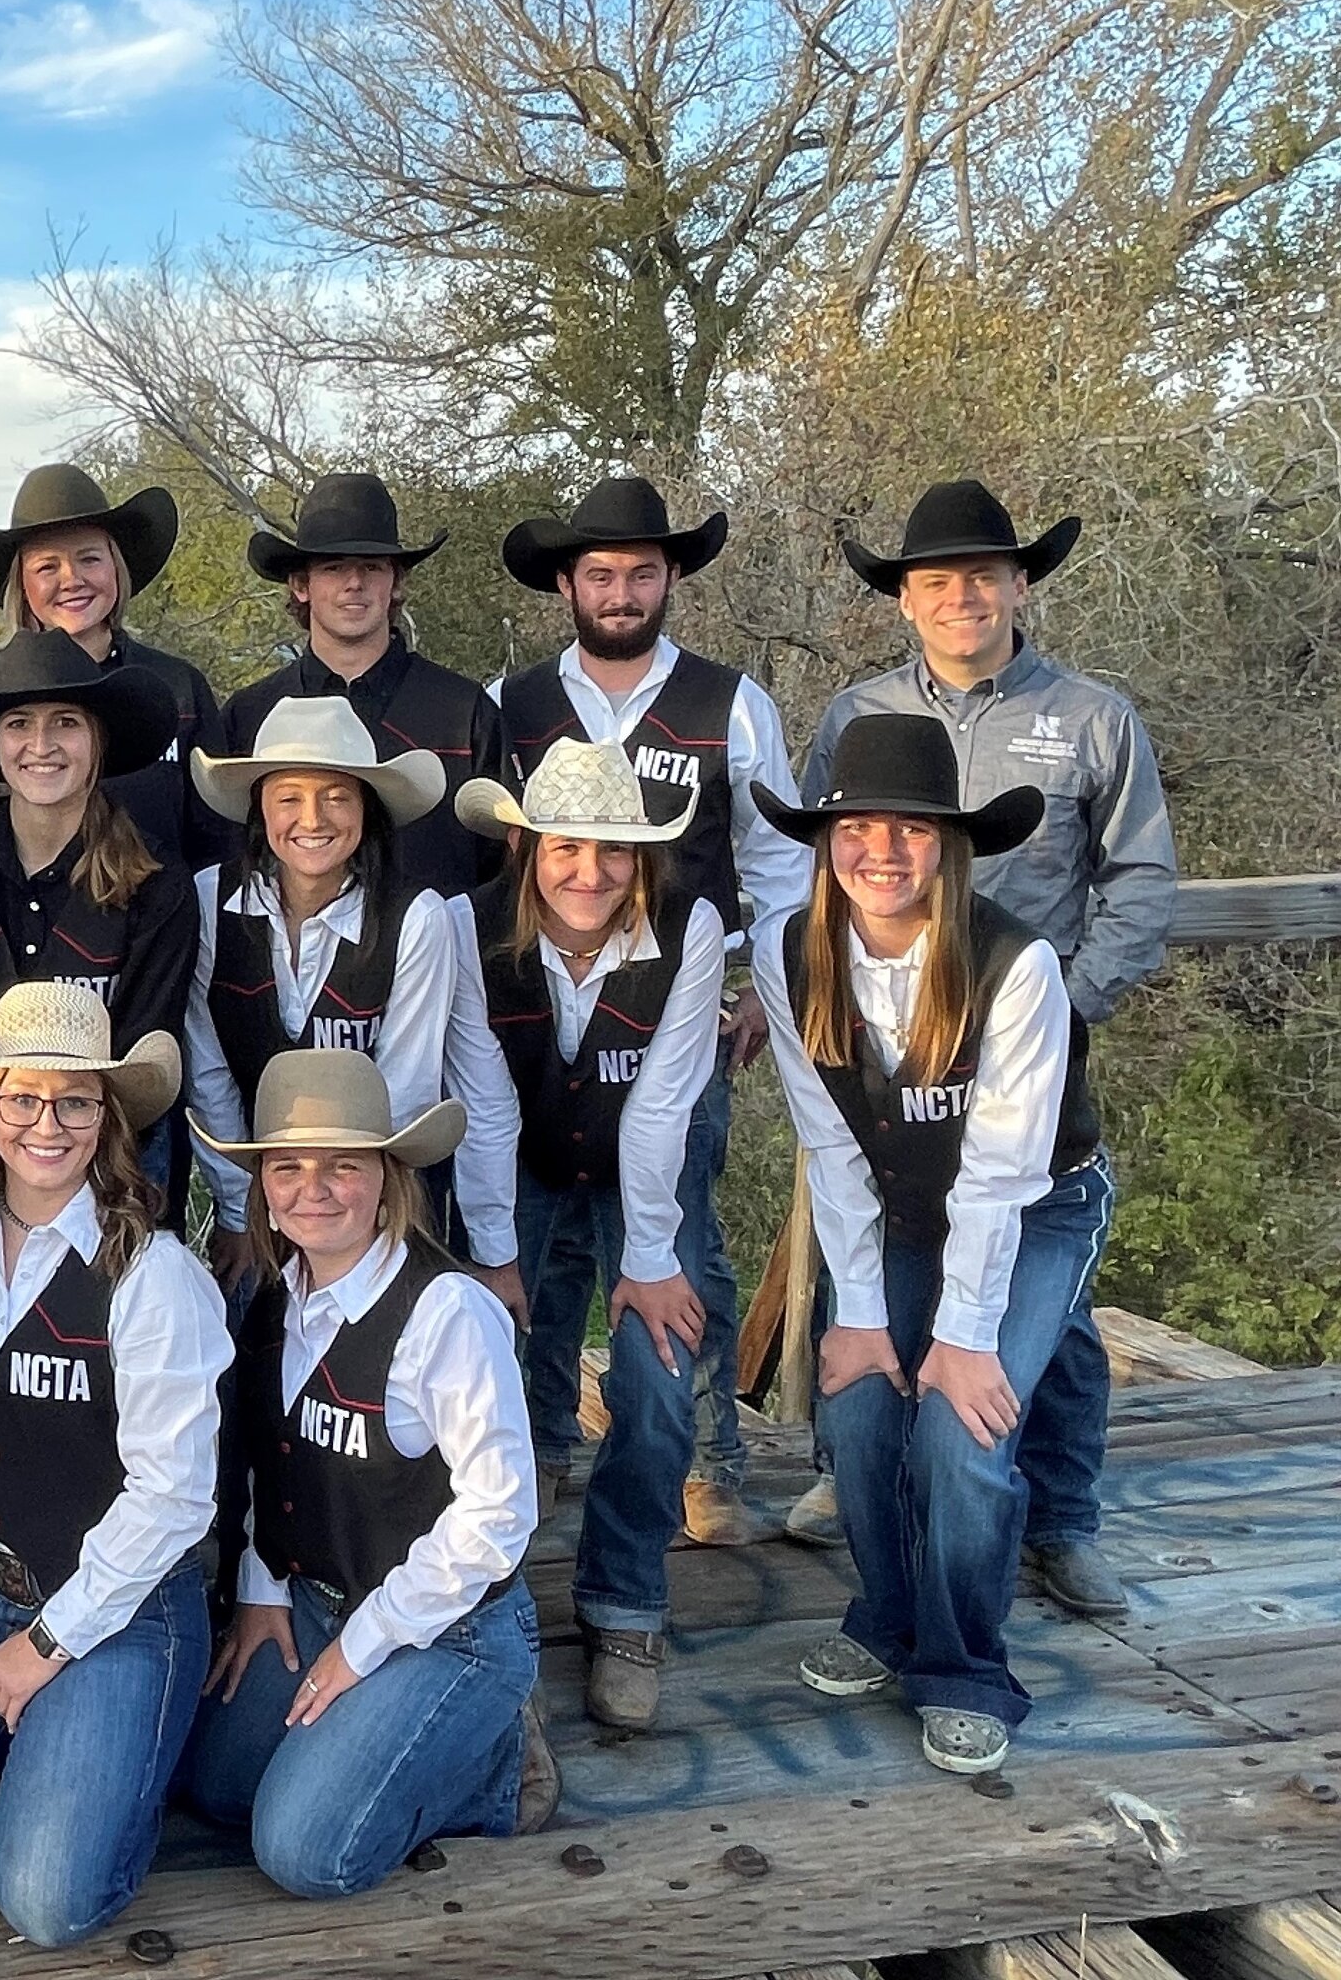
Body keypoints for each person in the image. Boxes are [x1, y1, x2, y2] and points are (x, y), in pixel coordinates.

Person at [784, 481, 1174, 1618]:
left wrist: (1064, 1009)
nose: (962, 596)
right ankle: (854, 1468)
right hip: (887, 1047)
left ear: (1019, 586)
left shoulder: (1094, 716)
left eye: (983, 575)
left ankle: (1060, 1515)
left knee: (1048, 1306)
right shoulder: (859, 717)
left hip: (1027, 1041)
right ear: (904, 599)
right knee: (865, 1222)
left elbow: (1139, 878)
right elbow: (823, 872)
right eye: (936, 579)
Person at [751, 713, 1104, 1777]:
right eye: (858, 827)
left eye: (911, 830)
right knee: (858, 1405)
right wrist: (858, 1315)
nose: (882, 852)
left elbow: (1001, 1175)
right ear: (826, 842)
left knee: (961, 1427)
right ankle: (890, 1619)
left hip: (1036, 1208)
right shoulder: (791, 953)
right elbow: (833, 1145)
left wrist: (962, 1338)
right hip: (904, 1207)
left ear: (949, 846)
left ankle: (964, 1665)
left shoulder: (1016, 964)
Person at [0, 983, 232, 1949]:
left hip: (117, 1613)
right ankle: (65, 1769)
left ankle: (107, 1760)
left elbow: (173, 1498)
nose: (47, 1124)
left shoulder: (153, 1276)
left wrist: (49, 1645)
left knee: (45, 1902)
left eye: (76, 1102)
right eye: (22, 1099)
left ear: (107, 1120)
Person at [493, 478, 807, 1546]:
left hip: (679, 1013)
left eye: (639, 572)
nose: (619, 591)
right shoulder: (516, 704)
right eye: (598, 574)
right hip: (539, 1020)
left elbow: (779, 863)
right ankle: (541, 1444)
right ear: (567, 586)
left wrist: (763, 983)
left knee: (681, 1247)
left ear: (671, 578)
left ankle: (707, 1463)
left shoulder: (731, 702)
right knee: (540, 1248)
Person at [180, 1050, 555, 1893]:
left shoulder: (447, 1311)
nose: (312, 1188)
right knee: (215, 1790)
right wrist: (262, 1589)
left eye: (342, 1166)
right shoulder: (278, 1297)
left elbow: (499, 1513)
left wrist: (364, 1646)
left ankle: (496, 1757)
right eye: (288, 1167)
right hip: (318, 1595)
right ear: (263, 1186)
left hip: (445, 1625)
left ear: (387, 1179)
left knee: (304, 1852)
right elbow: (265, 1466)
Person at [442, 741, 727, 1729]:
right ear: (527, 850)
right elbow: (481, 1098)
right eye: (567, 848)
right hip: (517, 1149)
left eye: (615, 851)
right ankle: (483, 1596)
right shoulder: (465, 929)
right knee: (481, 1346)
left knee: (658, 1359)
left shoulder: (691, 932)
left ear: (642, 858)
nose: (590, 873)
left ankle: (624, 1601)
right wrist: (495, 1252)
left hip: (638, 1160)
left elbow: (661, 1109)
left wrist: (648, 1262)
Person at [0, 629, 199, 1177]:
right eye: (18, 724)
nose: (41, 744)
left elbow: (143, 1058)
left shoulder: (157, 883)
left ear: (97, 741)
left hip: (119, 1169)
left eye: (66, 721)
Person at [181, 695, 455, 1285]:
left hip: (374, 1202)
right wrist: (242, 1207)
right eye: (289, 798)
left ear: (366, 809)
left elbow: (405, 1089)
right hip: (259, 1196)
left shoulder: (417, 919)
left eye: (336, 795)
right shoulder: (206, 901)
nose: (313, 819)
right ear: (260, 811)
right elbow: (207, 1073)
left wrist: (351, 1220)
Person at [0, 463, 232, 871]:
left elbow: (218, 847)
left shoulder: (176, 688)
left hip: (159, 926)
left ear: (117, 569)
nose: (72, 579)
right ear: (22, 585)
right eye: (48, 566)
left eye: (90, 559)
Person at [219, 471, 508, 899]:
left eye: (372, 567)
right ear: (301, 585)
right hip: (288, 962)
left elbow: (503, 867)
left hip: (444, 958)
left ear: (397, 582)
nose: (355, 583)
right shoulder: (251, 714)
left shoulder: (464, 711)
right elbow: (232, 856)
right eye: (334, 568)